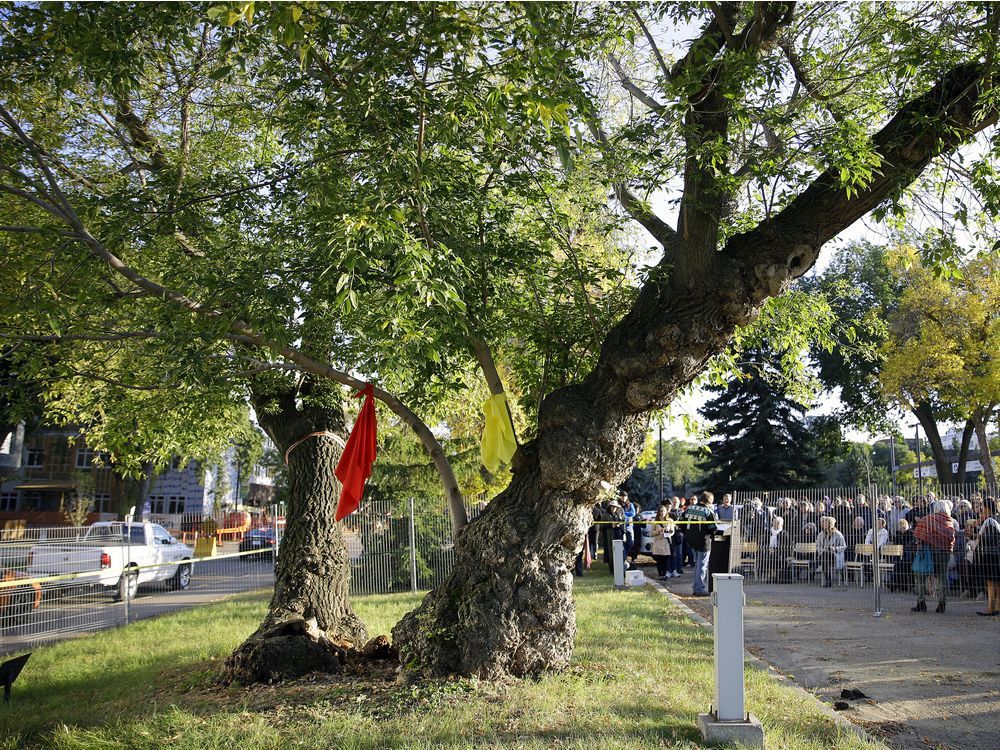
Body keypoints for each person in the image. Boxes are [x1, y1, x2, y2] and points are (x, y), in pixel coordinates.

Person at [912, 500, 956, 613]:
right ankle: (942, 603)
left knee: (920, 575)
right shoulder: (950, 521)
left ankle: (921, 602)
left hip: (928, 552)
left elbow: (918, 533)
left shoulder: (927, 519)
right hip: (945, 552)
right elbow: (951, 538)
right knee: (942, 576)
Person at [682, 491, 718, 596]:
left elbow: (681, 523)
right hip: (704, 542)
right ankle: (699, 589)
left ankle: (696, 586)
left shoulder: (689, 508)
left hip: (691, 541)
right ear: (710, 500)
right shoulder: (708, 511)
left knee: (697, 565)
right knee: (702, 566)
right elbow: (713, 528)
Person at [974, 496, 1000, 616]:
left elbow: (985, 538)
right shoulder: (997, 518)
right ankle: (997, 607)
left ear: (988, 508)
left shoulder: (989, 521)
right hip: (997, 553)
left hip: (990, 554)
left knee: (990, 582)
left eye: (982, 506)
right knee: (997, 582)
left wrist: (974, 535)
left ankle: (990, 607)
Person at [815, 516, 847, 587]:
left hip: (835, 555)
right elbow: (817, 546)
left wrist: (835, 549)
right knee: (825, 558)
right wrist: (822, 550)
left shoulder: (838, 534)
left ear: (830, 524)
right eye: (823, 522)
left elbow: (844, 546)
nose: (824, 524)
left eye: (826, 523)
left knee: (824, 558)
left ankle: (828, 580)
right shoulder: (821, 534)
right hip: (824, 555)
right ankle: (828, 580)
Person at [759, 515, 792, 583]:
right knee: (765, 557)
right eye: (774, 522)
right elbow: (763, 543)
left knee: (773, 557)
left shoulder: (784, 533)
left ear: (781, 524)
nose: (775, 524)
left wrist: (775, 550)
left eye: (778, 523)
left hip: (780, 552)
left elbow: (787, 546)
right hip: (768, 550)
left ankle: (773, 575)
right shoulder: (768, 532)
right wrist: (768, 548)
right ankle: (770, 574)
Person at [650, 503, 674, 580]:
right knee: (659, 560)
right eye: (661, 511)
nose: (662, 513)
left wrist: (668, 531)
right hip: (658, 543)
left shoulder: (670, 521)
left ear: (666, 512)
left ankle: (665, 574)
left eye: (664, 511)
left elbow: (672, 531)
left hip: (666, 543)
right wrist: (658, 531)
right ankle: (660, 575)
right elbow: (651, 533)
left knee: (666, 560)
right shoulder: (655, 521)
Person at [620, 492, 637, 564]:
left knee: (630, 542)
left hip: (629, 526)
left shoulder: (630, 504)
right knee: (622, 543)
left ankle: (624, 555)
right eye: (622, 496)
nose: (623, 498)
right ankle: (622, 557)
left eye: (625, 496)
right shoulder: (618, 504)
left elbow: (633, 513)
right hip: (621, 526)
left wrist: (624, 515)